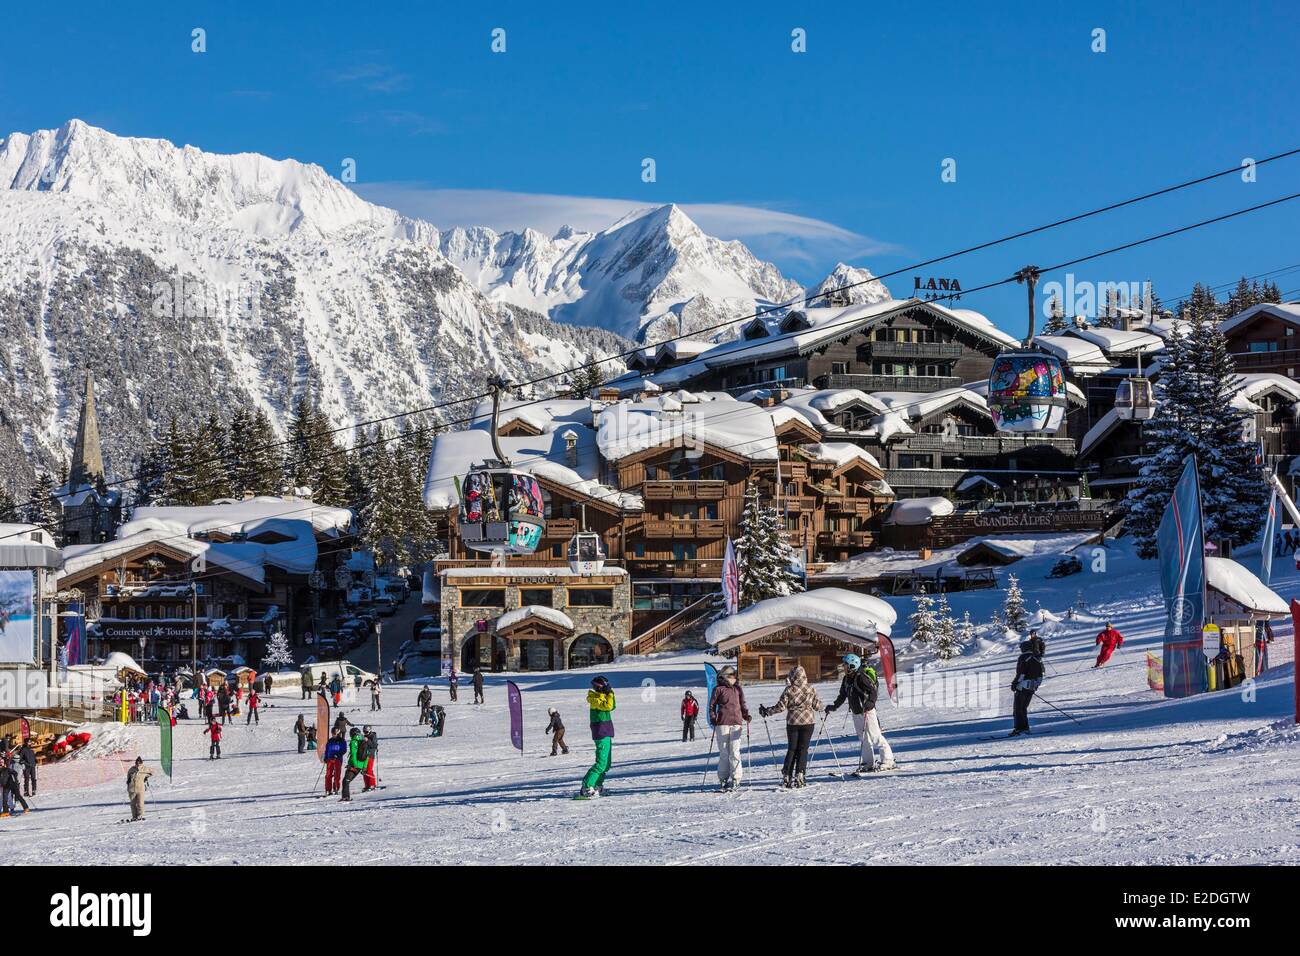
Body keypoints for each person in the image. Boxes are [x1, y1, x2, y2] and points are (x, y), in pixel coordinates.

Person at [824, 654, 895, 774]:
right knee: (863, 738)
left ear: (853, 665)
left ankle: (888, 761)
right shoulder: (846, 679)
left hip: (867, 711)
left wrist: (870, 703)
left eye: (846, 665)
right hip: (856, 712)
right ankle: (868, 763)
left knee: (875, 736)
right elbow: (842, 695)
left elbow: (873, 692)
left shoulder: (861, 677)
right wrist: (834, 706)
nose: (844, 667)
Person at [759, 665, 823, 789]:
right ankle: (800, 774)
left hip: (793, 722)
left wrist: (767, 711)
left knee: (792, 749)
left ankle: (787, 775)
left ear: (792, 676)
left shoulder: (789, 690)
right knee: (803, 749)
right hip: (808, 722)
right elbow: (817, 705)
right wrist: (822, 706)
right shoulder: (811, 688)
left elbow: (781, 707)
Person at [708, 666, 751, 791]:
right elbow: (711, 706)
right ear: (725, 676)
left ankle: (736, 778)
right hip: (722, 723)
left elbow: (742, 704)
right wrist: (713, 718)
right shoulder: (718, 689)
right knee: (724, 752)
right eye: (732, 674)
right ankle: (723, 778)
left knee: (735, 751)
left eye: (734, 674)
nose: (734, 676)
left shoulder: (737, 689)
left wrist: (746, 715)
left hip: (737, 722)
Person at [577, 676, 615, 798]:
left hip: (607, 731)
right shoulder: (594, 698)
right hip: (600, 732)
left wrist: (610, 693)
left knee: (607, 764)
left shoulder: (603, 697)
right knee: (601, 763)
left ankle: (597, 785)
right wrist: (608, 694)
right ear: (598, 687)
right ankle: (587, 786)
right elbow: (607, 706)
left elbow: (613, 705)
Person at [1010, 639, 1045, 736]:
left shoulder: (1023, 658)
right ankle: (1025, 728)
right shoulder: (1036, 658)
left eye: (1021, 648)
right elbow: (1041, 675)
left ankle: (1019, 729)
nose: (1021, 650)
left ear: (1024, 649)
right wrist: (1036, 686)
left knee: (1018, 708)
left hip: (1022, 686)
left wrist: (1015, 683)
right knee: (1023, 708)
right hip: (1032, 687)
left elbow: (1021, 673)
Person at [340, 728, 368, 802]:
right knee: (346, 780)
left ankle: (346, 797)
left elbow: (353, 754)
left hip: (354, 765)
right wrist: (364, 767)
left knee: (346, 781)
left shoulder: (354, 741)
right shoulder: (364, 741)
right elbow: (367, 755)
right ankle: (345, 797)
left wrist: (354, 765)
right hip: (360, 765)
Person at [126, 757, 152, 822]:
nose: (138, 764)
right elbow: (128, 776)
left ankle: (140, 815)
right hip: (132, 789)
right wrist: (128, 780)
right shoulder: (131, 769)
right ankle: (134, 816)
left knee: (140, 803)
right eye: (136, 763)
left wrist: (146, 776)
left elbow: (152, 772)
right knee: (133, 803)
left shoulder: (144, 769)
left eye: (139, 763)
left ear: (141, 763)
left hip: (140, 789)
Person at [323, 730, 346, 795]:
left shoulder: (342, 741)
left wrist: (338, 754)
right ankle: (328, 789)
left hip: (337, 759)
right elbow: (327, 749)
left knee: (337, 774)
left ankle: (336, 788)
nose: (333, 735)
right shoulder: (330, 740)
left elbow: (344, 750)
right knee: (328, 774)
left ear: (338, 733)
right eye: (332, 733)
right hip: (330, 759)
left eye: (334, 734)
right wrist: (326, 757)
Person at [362, 725, 379, 791]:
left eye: (366, 731)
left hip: (370, 755)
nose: (365, 733)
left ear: (369, 731)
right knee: (364, 770)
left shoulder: (373, 736)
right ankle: (367, 785)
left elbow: (374, 745)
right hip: (364, 756)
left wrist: (367, 740)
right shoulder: (364, 736)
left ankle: (372, 784)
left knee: (369, 770)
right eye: (364, 731)